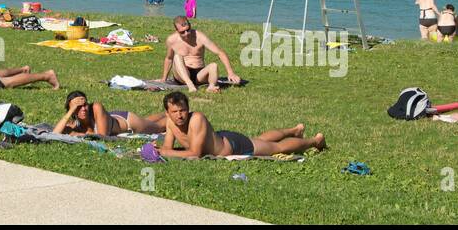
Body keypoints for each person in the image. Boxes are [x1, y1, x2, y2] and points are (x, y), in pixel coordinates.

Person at [156, 92, 326, 158]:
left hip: (233, 146)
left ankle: (314, 141)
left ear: (188, 109)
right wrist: (160, 150)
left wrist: (164, 152)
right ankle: (295, 130)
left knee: (275, 148)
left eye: (183, 110)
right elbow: (168, 147)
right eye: (175, 112)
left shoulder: (197, 119)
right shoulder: (171, 123)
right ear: (167, 113)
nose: (180, 115)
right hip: (222, 139)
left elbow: (195, 153)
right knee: (259, 140)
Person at [162, 16, 243, 92]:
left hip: (199, 74)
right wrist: (164, 79)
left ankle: (211, 87)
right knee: (177, 56)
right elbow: (169, 59)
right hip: (182, 75)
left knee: (214, 65)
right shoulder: (171, 40)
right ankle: (190, 85)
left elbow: (220, 52)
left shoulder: (200, 36)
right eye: (182, 32)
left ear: (190, 25)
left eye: (188, 29)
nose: (187, 33)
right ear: (177, 31)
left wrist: (231, 73)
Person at [53, 91, 165, 136]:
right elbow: (54, 134)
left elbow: (102, 136)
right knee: (148, 121)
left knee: (159, 127)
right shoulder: (74, 123)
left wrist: (77, 134)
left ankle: (173, 115)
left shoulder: (96, 107)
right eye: (78, 107)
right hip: (112, 119)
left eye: (84, 105)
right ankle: (166, 113)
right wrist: (71, 110)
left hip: (129, 122)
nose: (83, 109)